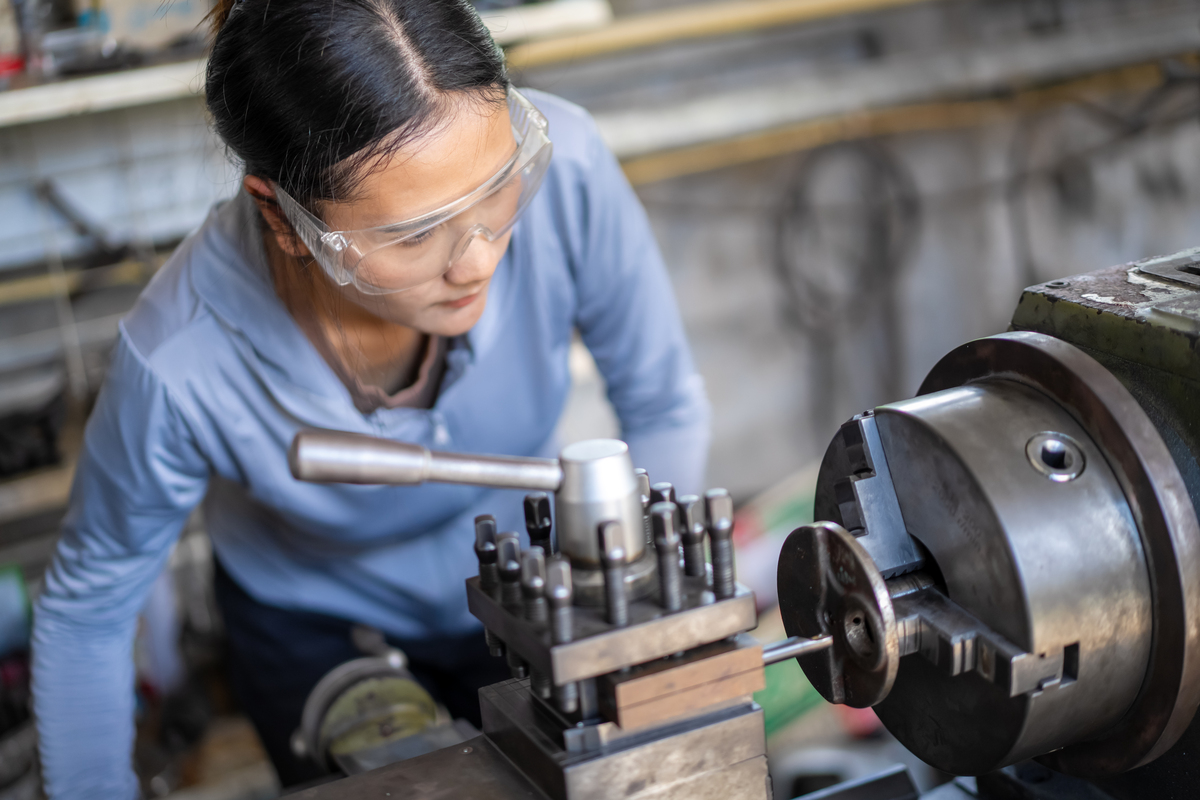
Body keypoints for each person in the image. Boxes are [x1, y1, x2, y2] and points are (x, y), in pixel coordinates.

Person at [30, 0, 711, 796]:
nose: (478, 259)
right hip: (314, 622)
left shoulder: (574, 171)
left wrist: (644, 629)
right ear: (283, 219)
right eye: (416, 235)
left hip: (532, 590)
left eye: (497, 188)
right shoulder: (179, 358)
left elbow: (662, 406)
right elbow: (88, 614)